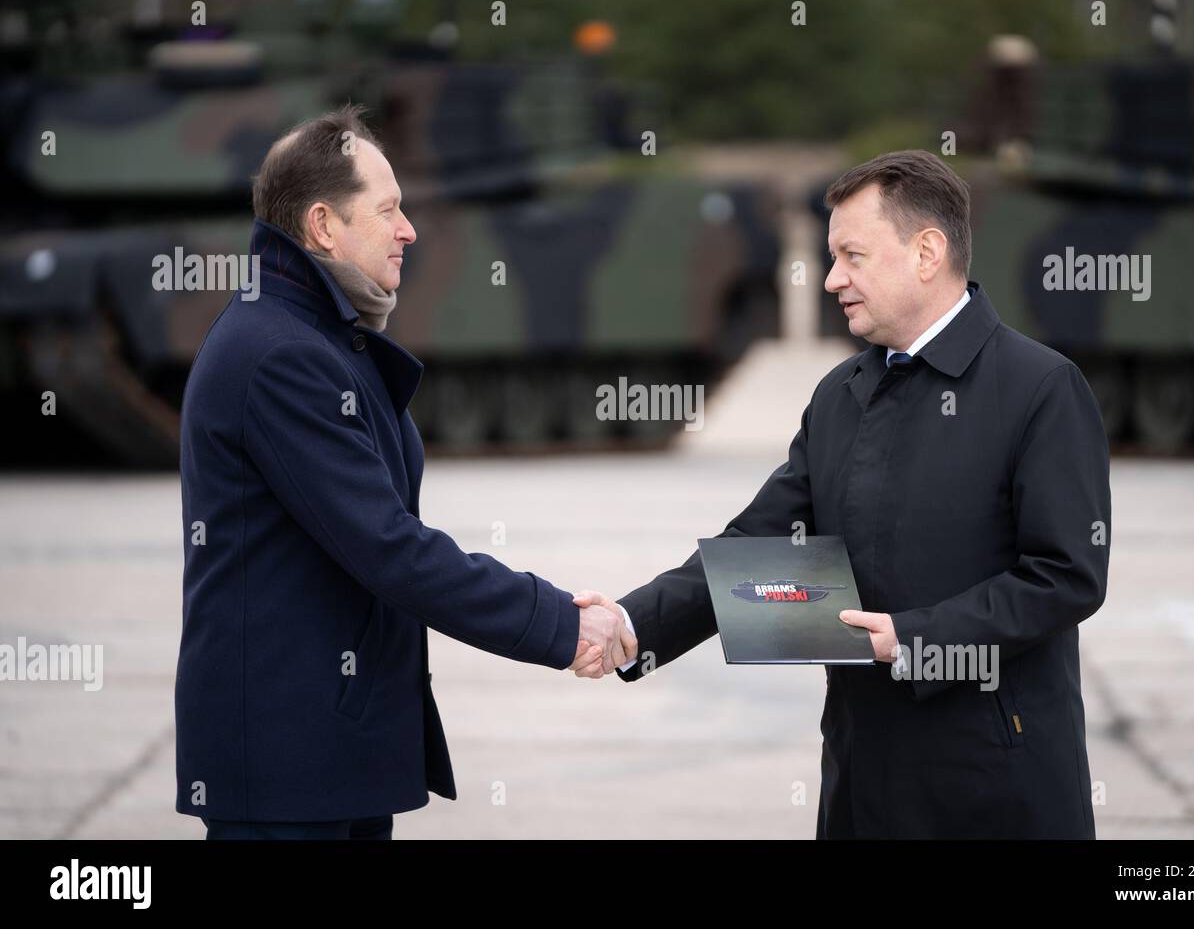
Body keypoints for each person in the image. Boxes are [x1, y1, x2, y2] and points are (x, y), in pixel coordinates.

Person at [575, 150, 1111, 839]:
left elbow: (1067, 576)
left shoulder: (1040, 389)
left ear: (927, 252)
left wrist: (914, 638)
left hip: (993, 780)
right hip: (863, 778)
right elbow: (758, 546)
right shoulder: (841, 395)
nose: (831, 280)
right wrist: (634, 625)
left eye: (852, 256)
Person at [175, 106, 630, 840]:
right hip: (289, 769)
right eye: (387, 209)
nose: (409, 228)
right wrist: (558, 623)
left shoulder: (310, 336)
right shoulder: (282, 355)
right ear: (323, 226)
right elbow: (388, 547)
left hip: (327, 755)